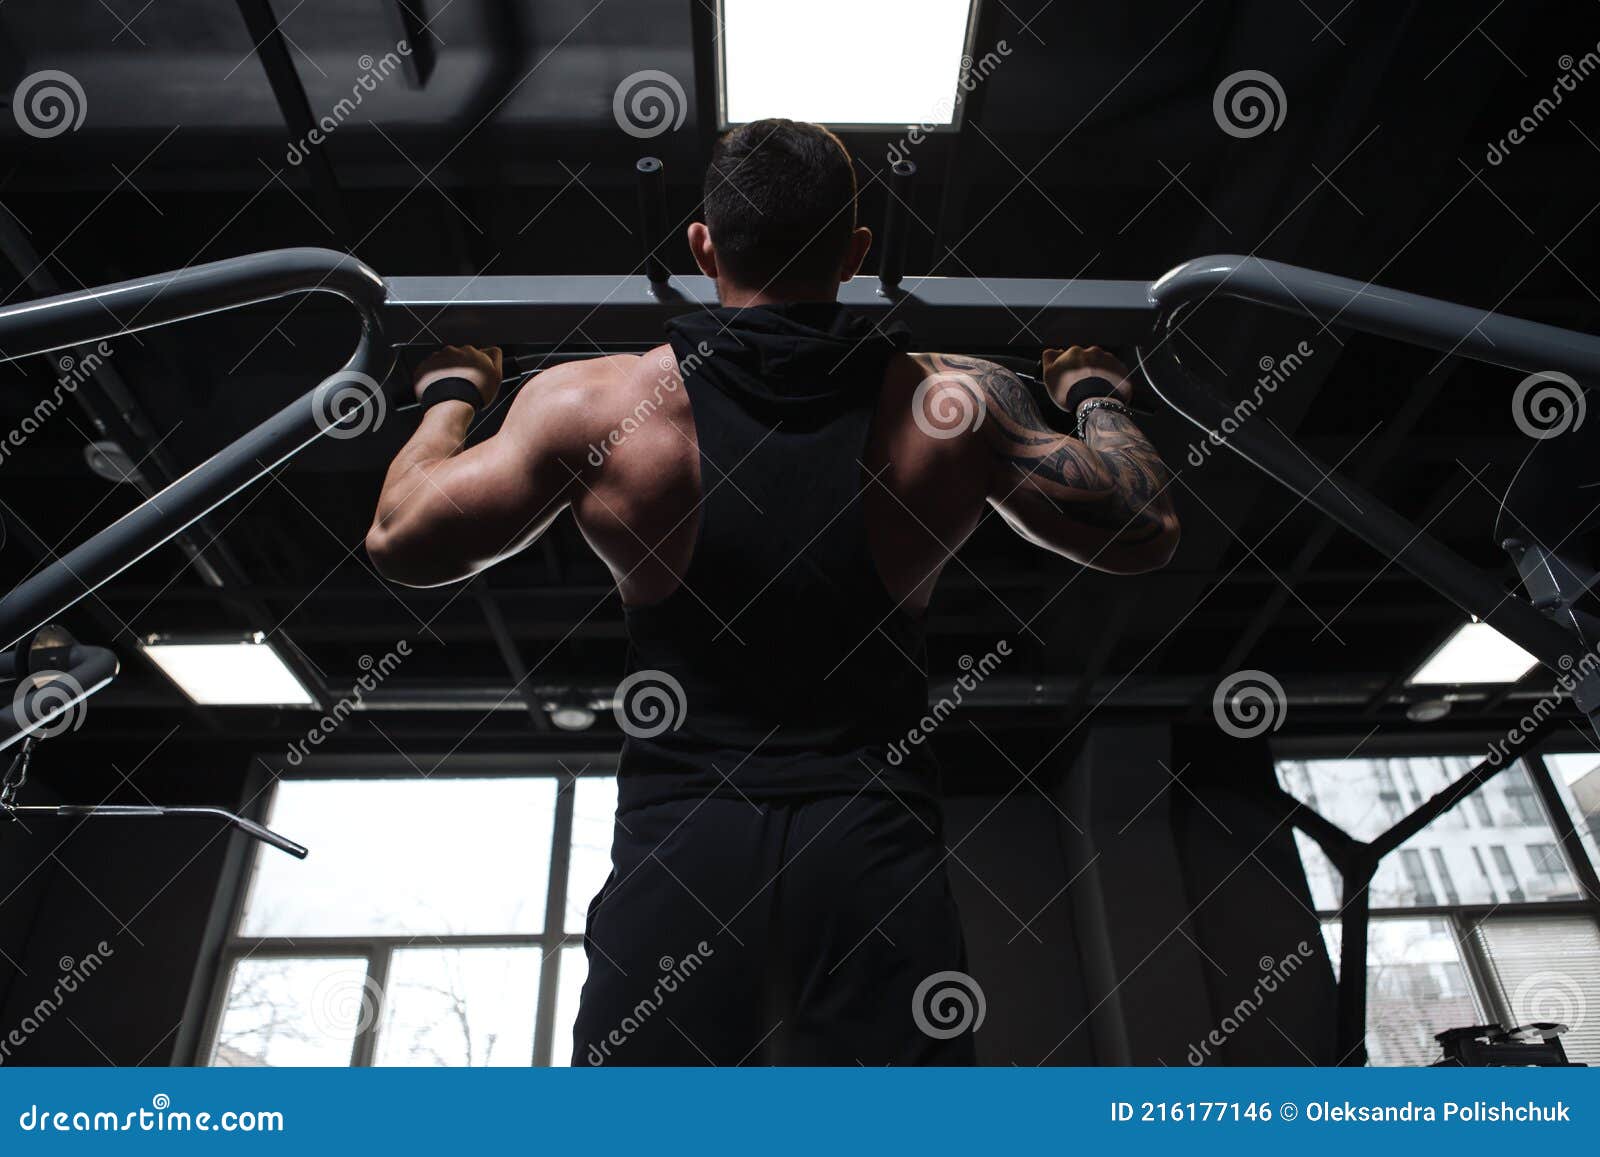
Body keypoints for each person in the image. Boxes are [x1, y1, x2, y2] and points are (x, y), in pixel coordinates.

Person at [366, 118, 1180, 1065]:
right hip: (873, 837)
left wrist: (453, 391)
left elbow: (401, 538)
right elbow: (1145, 527)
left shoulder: (592, 406)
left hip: (683, 838)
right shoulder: (957, 404)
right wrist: (1093, 390)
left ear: (703, 245)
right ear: (858, 252)